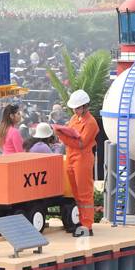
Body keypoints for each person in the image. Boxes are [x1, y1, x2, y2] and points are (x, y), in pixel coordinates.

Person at [54, 89, 98, 238]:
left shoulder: (91, 123)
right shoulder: (74, 118)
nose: (75, 110)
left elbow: (81, 143)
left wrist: (62, 136)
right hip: (71, 157)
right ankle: (81, 222)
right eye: (74, 107)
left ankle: (87, 225)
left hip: (82, 159)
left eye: (78, 107)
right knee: (76, 193)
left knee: (84, 193)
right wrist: (63, 134)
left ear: (85, 106)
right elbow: (73, 139)